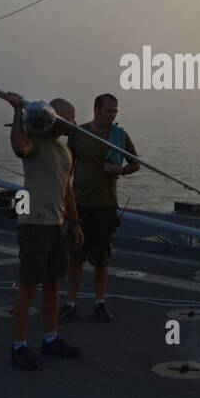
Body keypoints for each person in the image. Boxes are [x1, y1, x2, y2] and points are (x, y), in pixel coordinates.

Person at [6, 92, 85, 370]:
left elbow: (67, 189)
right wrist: (17, 110)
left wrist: (74, 223)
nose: (74, 122)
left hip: (57, 224)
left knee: (53, 283)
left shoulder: (65, 150)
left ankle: (50, 339)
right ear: (55, 117)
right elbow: (18, 148)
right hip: (34, 223)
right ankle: (19, 346)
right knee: (29, 284)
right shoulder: (34, 140)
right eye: (70, 117)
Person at [60, 93, 139, 323]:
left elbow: (135, 163)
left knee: (102, 258)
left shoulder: (119, 136)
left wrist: (121, 171)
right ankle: (70, 303)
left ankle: (99, 302)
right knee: (76, 256)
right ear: (96, 110)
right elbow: (67, 169)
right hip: (80, 204)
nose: (113, 116)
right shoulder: (78, 134)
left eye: (115, 112)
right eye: (109, 111)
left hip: (106, 205)